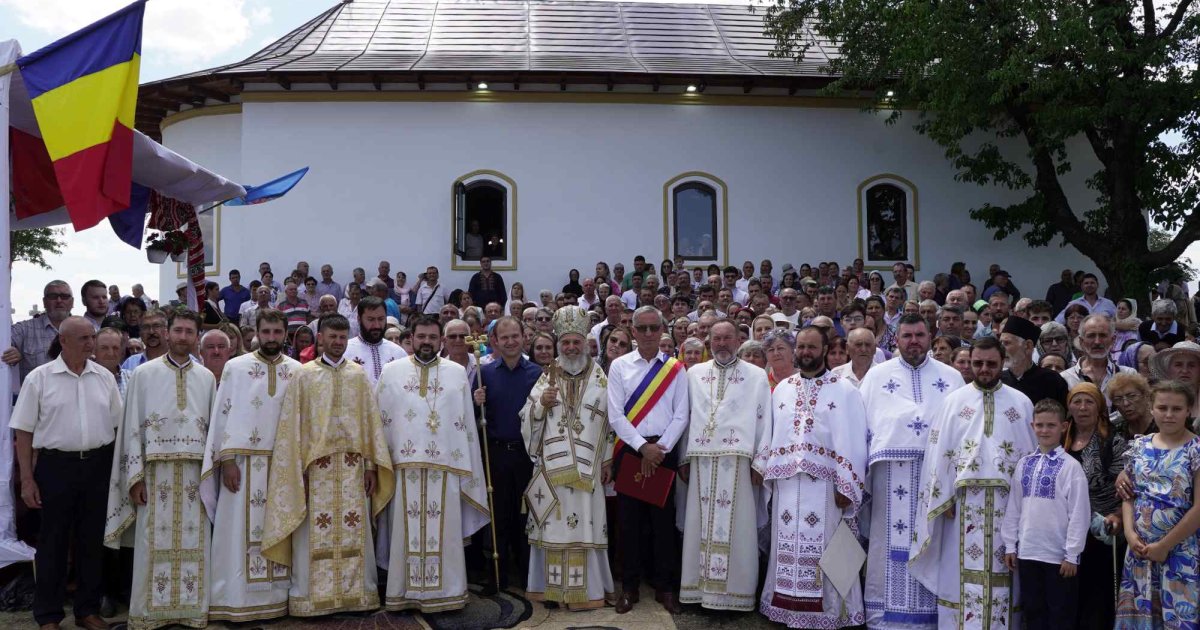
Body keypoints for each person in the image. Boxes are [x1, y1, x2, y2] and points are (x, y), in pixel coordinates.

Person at [261, 314, 395, 617]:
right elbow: (292, 428)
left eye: (341, 337)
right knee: (313, 533)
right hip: (315, 470)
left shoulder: (358, 376)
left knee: (355, 531)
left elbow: (370, 423)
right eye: (331, 336)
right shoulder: (304, 375)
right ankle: (310, 598)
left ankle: (356, 594)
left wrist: (373, 466)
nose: (336, 342)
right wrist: (298, 473)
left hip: (353, 469)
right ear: (320, 338)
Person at [910, 337, 1036, 629]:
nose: (984, 369)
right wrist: (942, 500)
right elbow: (938, 453)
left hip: (1009, 508)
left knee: (1007, 574)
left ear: (1002, 361)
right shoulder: (954, 402)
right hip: (963, 507)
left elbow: (1031, 457)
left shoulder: (1021, 403)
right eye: (977, 363)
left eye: (991, 364)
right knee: (960, 578)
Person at [104, 309, 216, 630]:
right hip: (154, 476)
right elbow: (131, 430)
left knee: (196, 543)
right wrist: (134, 478)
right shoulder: (144, 374)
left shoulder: (207, 378)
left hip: (195, 476)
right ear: (168, 333)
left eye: (189, 332)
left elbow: (213, 435)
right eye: (177, 330)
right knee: (152, 545)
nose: (182, 337)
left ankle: (192, 612)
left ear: (197, 337)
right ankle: (149, 614)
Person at [375, 315, 488, 612]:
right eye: (421, 336)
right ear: (412, 338)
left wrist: (467, 468)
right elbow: (381, 421)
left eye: (432, 337)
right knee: (403, 533)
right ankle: (402, 593)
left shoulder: (455, 373)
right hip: (404, 468)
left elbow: (464, 424)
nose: (426, 342)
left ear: (440, 340)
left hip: (445, 469)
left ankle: (448, 593)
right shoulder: (391, 371)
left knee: (445, 534)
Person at [859, 314, 965, 629]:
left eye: (919, 335)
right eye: (907, 336)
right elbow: (863, 426)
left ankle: (934, 617)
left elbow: (961, 432)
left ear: (930, 336)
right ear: (896, 339)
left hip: (935, 479)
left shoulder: (951, 377)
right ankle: (885, 619)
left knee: (934, 543)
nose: (913, 341)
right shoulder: (877, 377)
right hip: (887, 478)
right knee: (886, 546)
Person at [13, 317, 119, 630]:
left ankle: (87, 610)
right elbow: (23, 432)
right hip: (55, 468)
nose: (91, 343)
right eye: (84, 338)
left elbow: (118, 425)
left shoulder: (104, 378)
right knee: (53, 543)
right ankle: (48, 616)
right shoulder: (39, 378)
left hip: (98, 466)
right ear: (64, 341)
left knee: (92, 541)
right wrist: (27, 480)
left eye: (92, 337)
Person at [758, 325, 867, 627]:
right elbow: (772, 434)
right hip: (787, 485)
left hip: (828, 488)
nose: (805, 352)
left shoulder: (844, 390)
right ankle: (786, 606)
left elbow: (854, 439)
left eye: (812, 347)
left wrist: (847, 484)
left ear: (825, 349)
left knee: (828, 546)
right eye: (801, 347)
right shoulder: (783, 389)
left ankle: (831, 612)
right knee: (786, 545)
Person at [199, 310, 297, 623]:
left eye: (277, 332)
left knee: (279, 528)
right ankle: (234, 600)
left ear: (285, 334)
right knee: (237, 533)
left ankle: (277, 600)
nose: (271, 337)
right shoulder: (235, 368)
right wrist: (226, 459)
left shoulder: (297, 370)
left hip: (282, 465)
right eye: (266, 331)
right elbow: (222, 414)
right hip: (241, 462)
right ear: (256, 332)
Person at [519, 306, 615, 609]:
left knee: (587, 524)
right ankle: (551, 591)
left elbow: (613, 423)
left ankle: (587, 592)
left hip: (588, 471)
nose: (571, 348)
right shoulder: (546, 376)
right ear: (559, 344)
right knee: (553, 525)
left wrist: (607, 459)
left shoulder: (601, 377)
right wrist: (540, 407)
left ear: (586, 343)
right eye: (566, 343)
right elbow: (526, 416)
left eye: (577, 342)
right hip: (553, 466)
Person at [678, 320, 771, 612]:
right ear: (709, 342)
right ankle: (699, 593)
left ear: (737, 341)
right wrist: (683, 456)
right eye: (716, 338)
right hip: (702, 462)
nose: (721, 343)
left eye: (727, 338)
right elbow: (685, 417)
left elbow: (764, 419)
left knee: (740, 530)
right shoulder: (694, 374)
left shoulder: (756, 376)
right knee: (698, 526)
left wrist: (762, 462)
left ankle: (737, 597)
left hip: (740, 463)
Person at [607, 306, 689, 614]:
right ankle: (629, 587)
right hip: (632, 449)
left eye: (654, 328)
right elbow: (615, 415)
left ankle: (664, 587)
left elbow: (682, 414)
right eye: (641, 328)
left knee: (662, 523)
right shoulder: (620, 367)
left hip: (663, 452)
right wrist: (643, 448)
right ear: (633, 332)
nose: (648, 334)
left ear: (662, 329)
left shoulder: (675, 369)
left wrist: (660, 449)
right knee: (629, 523)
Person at [1116, 380, 1200, 629]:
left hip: (1181, 552)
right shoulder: (1139, 446)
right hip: (1140, 551)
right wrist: (1130, 534)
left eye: (1176, 408)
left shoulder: (1195, 450)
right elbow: (1129, 495)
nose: (1169, 414)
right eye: (1162, 407)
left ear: (1189, 411)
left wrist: (1164, 545)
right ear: (1151, 408)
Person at [1000, 399, 1089, 630]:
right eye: (1040, 425)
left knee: (1060, 615)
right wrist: (1010, 545)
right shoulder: (1024, 463)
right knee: (1034, 613)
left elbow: (1080, 513)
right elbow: (1014, 507)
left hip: (1058, 557)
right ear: (1032, 426)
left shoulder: (1071, 467)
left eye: (1051, 425)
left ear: (1064, 427)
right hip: (1028, 552)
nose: (1044, 430)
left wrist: (1072, 554)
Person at [473, 317, 542, 592]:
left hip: (527, 455)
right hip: (497, 454)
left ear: (524, 337)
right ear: (496, 342)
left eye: (515, 336)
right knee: (498, 515)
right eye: (505, 338)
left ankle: (528, 575)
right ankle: (496, 575)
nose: (511, 342)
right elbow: (474, 416)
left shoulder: (536, 373)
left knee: (526, 515)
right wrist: (475, 399)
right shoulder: (484, 374)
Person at [1064, 382, 1126, 629]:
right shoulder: (1061, 440)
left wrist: (1118, 516)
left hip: (1102, 530)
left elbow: (1125, 489)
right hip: (1067, 530)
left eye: (1089, 401)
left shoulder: (1112, 442)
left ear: (1099, 406)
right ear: (1069, 407)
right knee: (1072, 593)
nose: (1082, 407)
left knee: (1098, 597)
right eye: (1077, 402)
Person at [6, 280, 74, 383]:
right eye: (53, 296)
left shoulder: (87, 330)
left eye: (64, 296)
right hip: (36, 398)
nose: (59, 300)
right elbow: (2, 340)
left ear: (72, 302)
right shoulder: (24, 329)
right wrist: (8, 350)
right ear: (44, 301)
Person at [1000, 316, 1069, 406]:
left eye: (1006, 343)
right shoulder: (998, 380)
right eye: (1000, 343)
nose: (1000, 349)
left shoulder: (1053, 381)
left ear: (1028, 346)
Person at [1062, 314, 1135, 395]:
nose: (1097, 341)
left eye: (1103, 335)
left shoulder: (1129, 375)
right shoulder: (1065, 378)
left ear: (1113, 340)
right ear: (1081, 341)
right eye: (1091, 336)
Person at [344, 296, 408, 387]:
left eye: (381, 319)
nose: (377, 325)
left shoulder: (398, 353)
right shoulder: (346, 351)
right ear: (359, 319)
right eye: (371, 319)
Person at [1106, 372, 1157, 439]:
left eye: (1132, 396)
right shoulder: (1116, 430)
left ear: (1146, 395)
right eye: (1118, 399)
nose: (1126, 403)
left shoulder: (1161, 425)